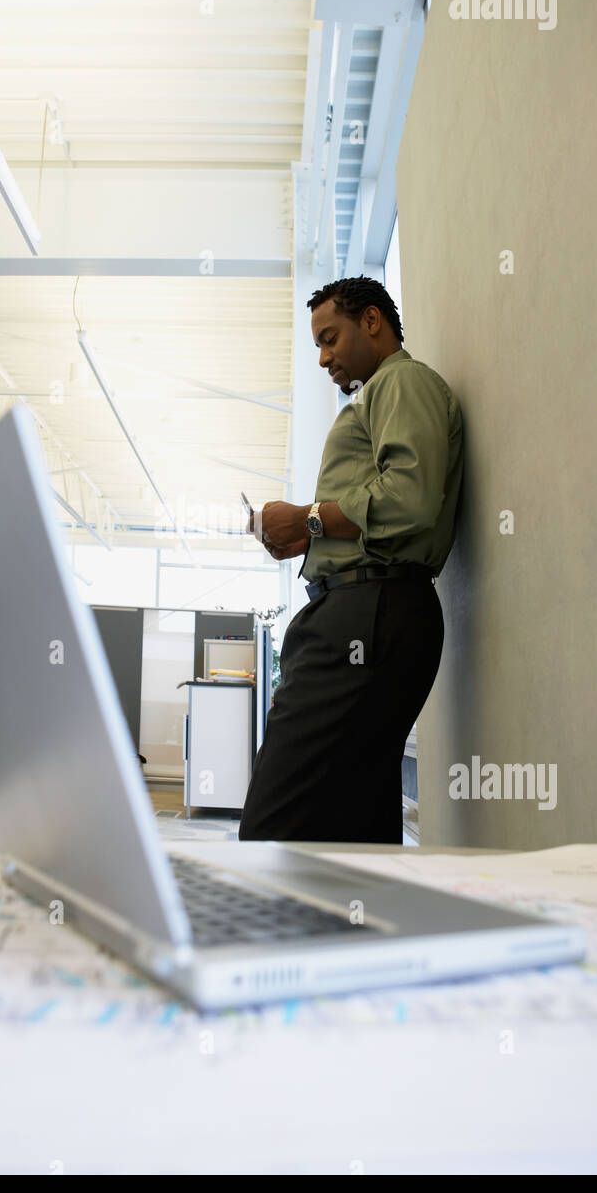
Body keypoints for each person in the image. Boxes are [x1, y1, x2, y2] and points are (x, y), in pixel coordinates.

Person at [238, 276, 463, 843]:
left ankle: (262, 923)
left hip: (369, 611)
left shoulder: (402, 382)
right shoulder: (377, 397)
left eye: (330, 337)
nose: (323, 358)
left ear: (371, 321)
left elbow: (408, 500)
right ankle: (356, 926)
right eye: (317, 344)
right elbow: (381, 510)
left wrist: (310, 518)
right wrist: (304, 538)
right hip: (369, 607)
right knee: (357, 817)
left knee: (275, 818)